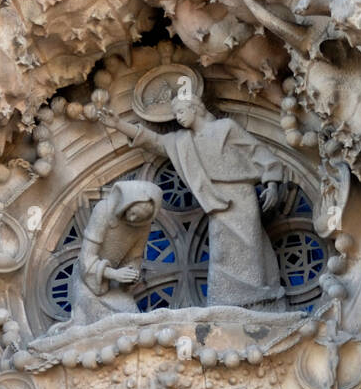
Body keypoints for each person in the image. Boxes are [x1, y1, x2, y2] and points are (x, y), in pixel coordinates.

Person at [100, 92, 284, 309]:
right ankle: (227, 301)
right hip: (216, 202)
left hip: (240, 194)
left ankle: (255, 297)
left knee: (249, 244)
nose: (178, 117)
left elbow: (256, 150)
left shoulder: (225, 127)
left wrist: (271, 181)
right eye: (175, 113)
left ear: (195, 108)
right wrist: (119, 124)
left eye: (180, 111)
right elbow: (154, 141)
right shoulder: (183, 142)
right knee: (222, 252)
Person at [70, 180, 162, 324]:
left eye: (139, 218)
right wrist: (114, 274)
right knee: (98, 322)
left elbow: (135, 258)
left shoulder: (142, 227)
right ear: (125, 204)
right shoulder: (103, 211)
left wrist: (131, 273)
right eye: (132, 213)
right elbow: (86, 260)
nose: (133, 220)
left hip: (114, 286)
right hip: (88, 282)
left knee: (132, 320)